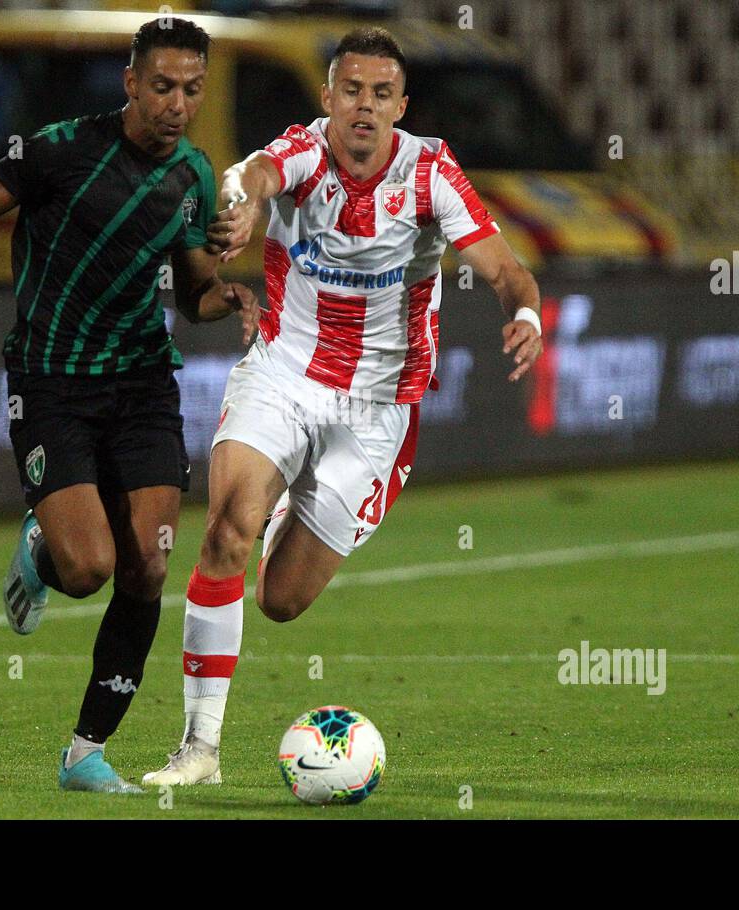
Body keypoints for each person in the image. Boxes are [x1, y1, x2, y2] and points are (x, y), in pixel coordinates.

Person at [0, 18, 258, 794]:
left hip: (142, 385)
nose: (177, 103)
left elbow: (196, 286)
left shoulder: (196, 177)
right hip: (53, 383)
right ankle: (42, 551)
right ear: (132, 83)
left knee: (148, 565)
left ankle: (84, 753)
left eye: (193, 89)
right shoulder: (60, 149)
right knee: (87, 569)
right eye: (163, 86)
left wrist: (224, 297)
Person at [143, 27, 544, 786]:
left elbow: (505, 270)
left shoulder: (430, 173)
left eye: (380, 94)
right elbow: (252, 176)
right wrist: (237, 206)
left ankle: (293, 505)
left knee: (281, 600)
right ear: (327, 97)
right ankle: (199, 749)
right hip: (284, 375)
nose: (364, 107)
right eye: (351, 91)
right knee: (227, 528)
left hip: (378, 407)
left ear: (401, 105)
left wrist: (524, 314)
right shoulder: (301, 153)